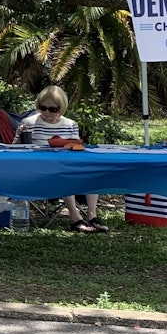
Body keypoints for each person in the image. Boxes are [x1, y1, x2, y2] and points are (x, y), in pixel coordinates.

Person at [18, 85, 109, 233]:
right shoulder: (29, 123)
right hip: (39, 169)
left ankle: (92, 216)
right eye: (43, 108)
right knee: (65, 173)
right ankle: (75, 217)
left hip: (65, 165)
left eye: (53, 109)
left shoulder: (70, 125)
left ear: (61, 108)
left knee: (91, 173)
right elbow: (16, 150)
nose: (47, 112)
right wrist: (20, 135)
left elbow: (75, 149)